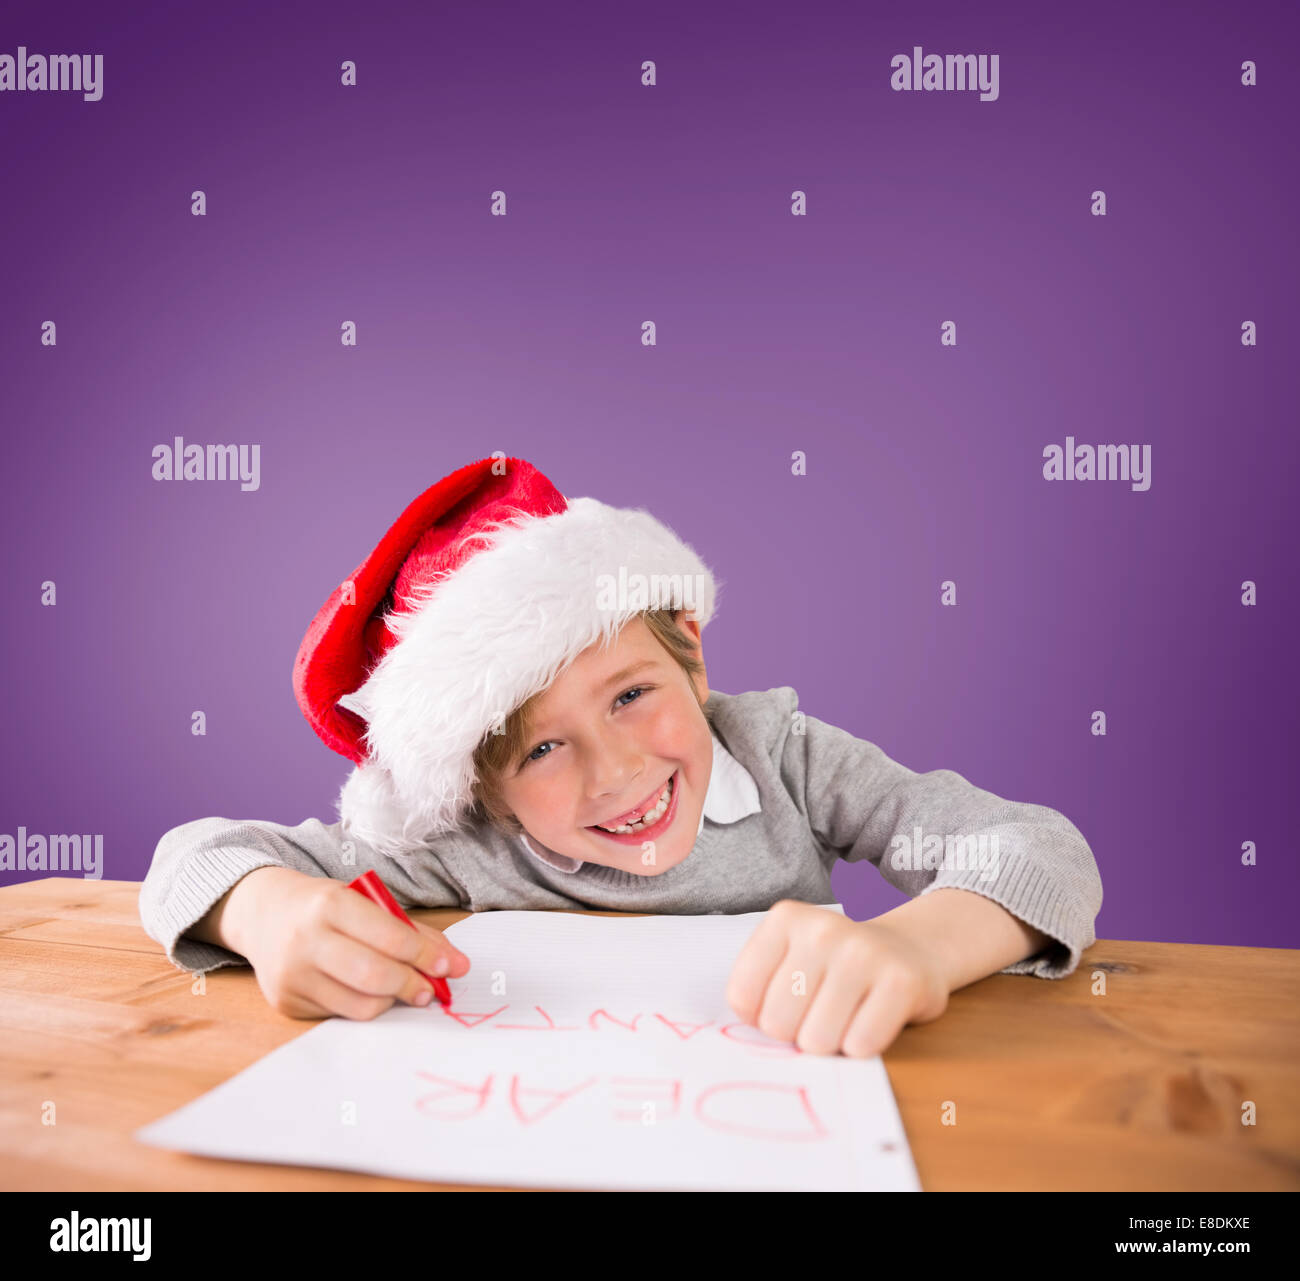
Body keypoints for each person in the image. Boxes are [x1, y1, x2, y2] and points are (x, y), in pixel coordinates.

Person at [139, 455, 1103, 1058]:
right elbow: (196, 853)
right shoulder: (467, 845)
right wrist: (265, 915)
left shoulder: (786, 759)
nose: (614, 774)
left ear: (691, 646)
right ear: (484, 786)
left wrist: (917, 945)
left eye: (633, 695)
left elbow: (1039, 848)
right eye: (544, 748)